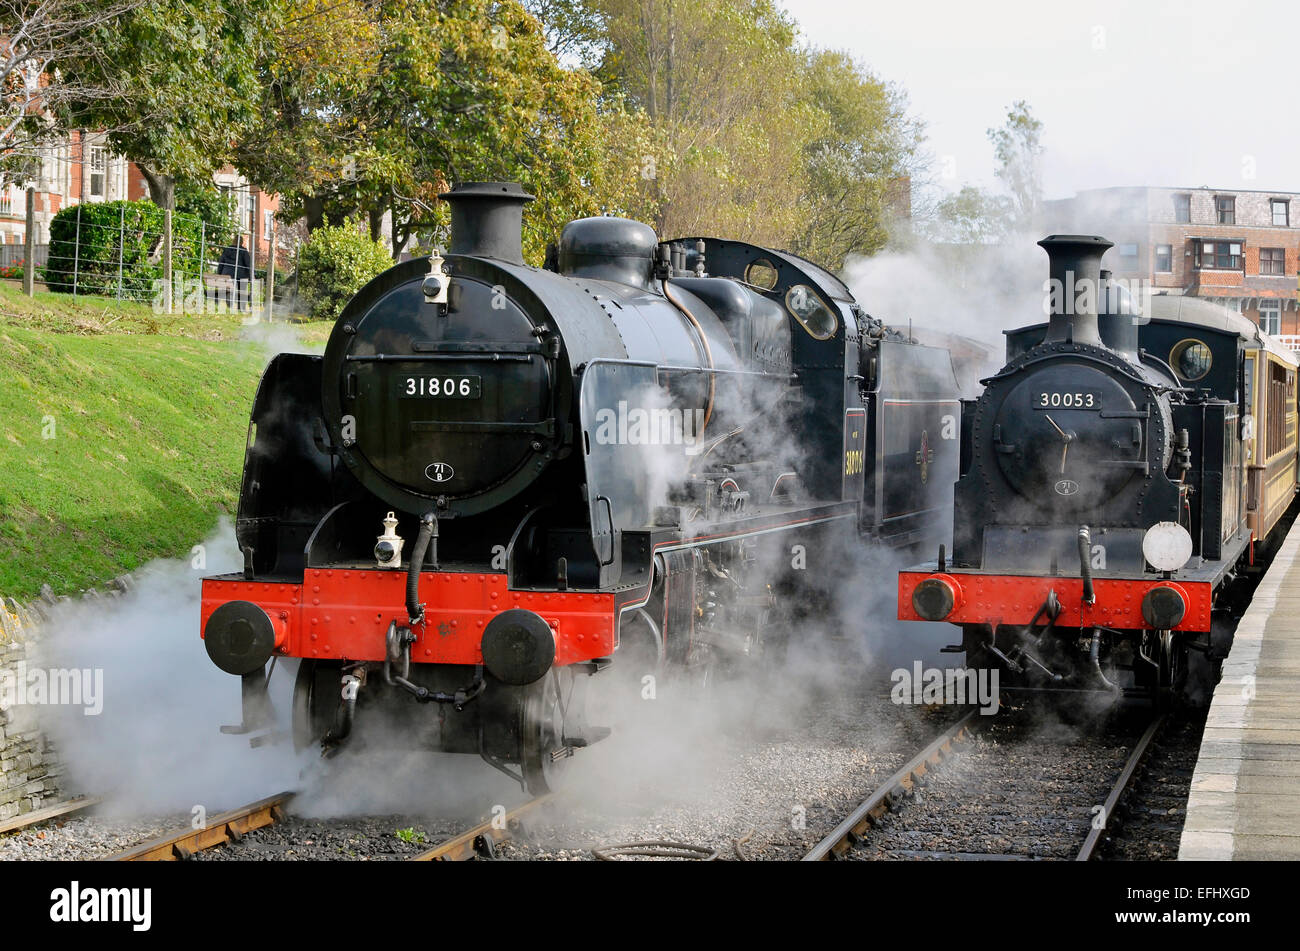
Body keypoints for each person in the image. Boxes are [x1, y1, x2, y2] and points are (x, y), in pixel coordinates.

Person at [216, 238, 253, 311]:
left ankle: (230, 305)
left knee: (230, 288)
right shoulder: (243, 251)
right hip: (240, 277)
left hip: (226, 276)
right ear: (241, 242)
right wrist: (251, 276)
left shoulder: (226, 250)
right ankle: (241, 307)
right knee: (242, 286)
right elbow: (248, 265)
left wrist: (219, 275)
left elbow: (221, 264)